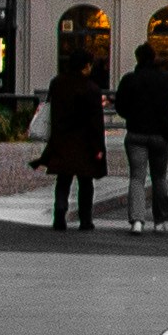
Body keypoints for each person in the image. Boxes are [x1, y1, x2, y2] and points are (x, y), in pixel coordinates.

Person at [44, 38, 112, 233]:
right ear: (86, 66)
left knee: (63, 180)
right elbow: (95, 123)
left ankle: (60, 212)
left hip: (61, 139)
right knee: (85, 182)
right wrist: (99, 147)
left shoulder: (57, 83)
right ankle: (85, 219)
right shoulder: (91, 89)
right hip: (84, 142)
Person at [118, 31, 168, 229]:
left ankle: (137, 220)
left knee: (137, 177)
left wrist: (132, 115)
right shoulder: (166, 79)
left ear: (138, 58)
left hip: (136, 132)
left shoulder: (129, 80)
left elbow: (120, 106)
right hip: (160, 133)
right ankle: (160, 219)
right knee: (159, 177)